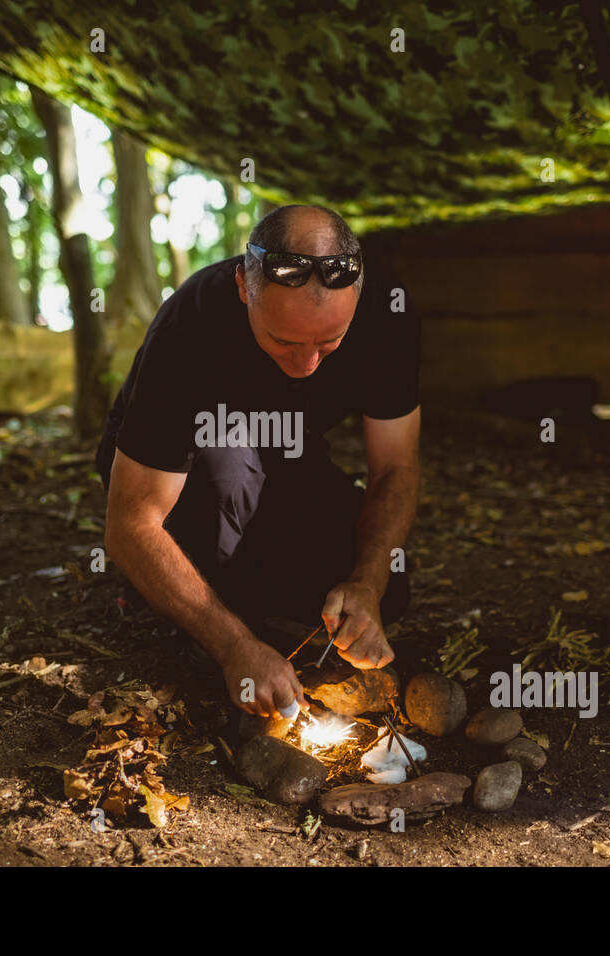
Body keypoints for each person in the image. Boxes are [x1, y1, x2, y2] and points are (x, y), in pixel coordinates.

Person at [97, 204, 420, 720]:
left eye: (329, 343)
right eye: (285, 341)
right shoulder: (191, 327)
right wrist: (234, 648)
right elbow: (130, 522)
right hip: (180, 460)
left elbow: (396, 468)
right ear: (246, 288)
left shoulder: (387, 313)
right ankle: (192, 599)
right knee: (230, 539)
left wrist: (368, 582)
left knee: (384, 584)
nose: (307, 364)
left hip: (289, 449)